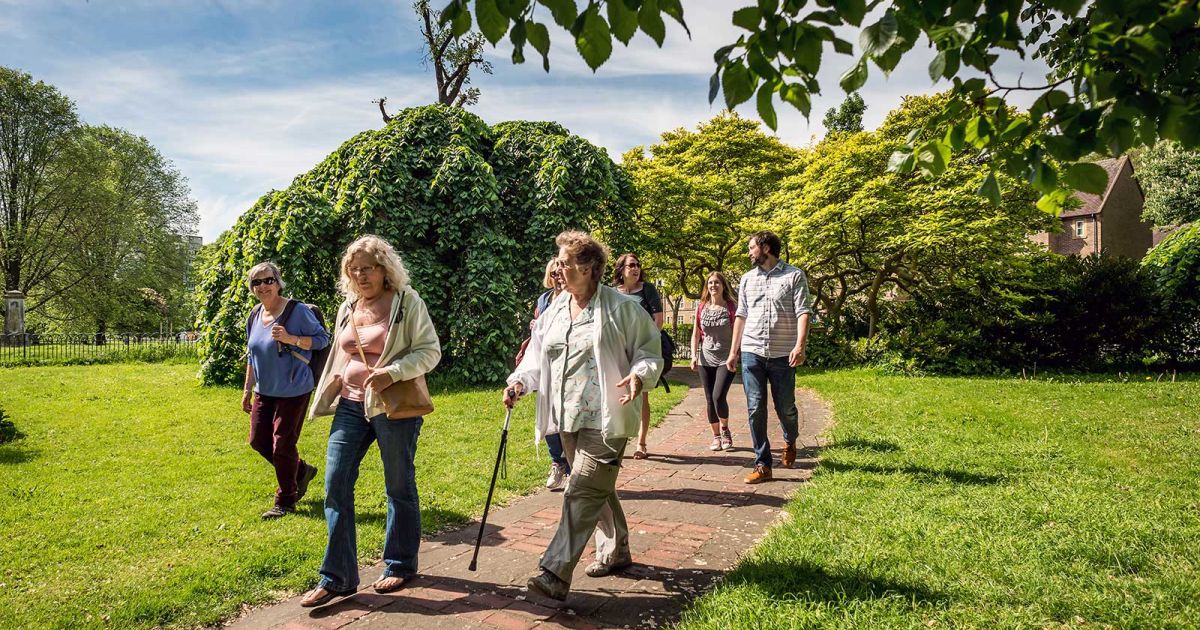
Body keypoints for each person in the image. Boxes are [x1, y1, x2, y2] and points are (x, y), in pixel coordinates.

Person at [504, 231, 663, 602]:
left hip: (609, 414)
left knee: (581, 489)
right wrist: (518, 383)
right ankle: (618, 549)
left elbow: (650, 351)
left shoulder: (622, 308)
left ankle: (554, 572)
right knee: (595, 487)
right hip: (567, 419)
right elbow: (536, 359)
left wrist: (640, 374)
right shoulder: (555, 310)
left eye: (567, 262)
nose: (559, 269)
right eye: (558, 262)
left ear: (590, 268)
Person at [300, 235, 442, 606]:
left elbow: (430, 351)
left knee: (398, 484)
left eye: (368, 268)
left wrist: (393, 372)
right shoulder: (348, 305)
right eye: (354, 269)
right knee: (335, 482)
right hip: (350, 405)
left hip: (392, 407)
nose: (361, 275)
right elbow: (342, 352)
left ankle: (399, 563)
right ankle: (338, 577)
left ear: (384, 269)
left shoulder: (407, 303)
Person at [242, 262, 330, 519]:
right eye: (256, 282)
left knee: (282, 444)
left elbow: (323, 339)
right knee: (258, 441)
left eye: (267, 280)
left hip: (294, 389)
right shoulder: (255, 314)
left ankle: (286, 499)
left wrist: (292, 339)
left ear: (278, 282)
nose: (262, 286)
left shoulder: (297, 311)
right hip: (264, 390)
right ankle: (301, 472)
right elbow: (252, 354)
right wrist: (247, 389)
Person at [724, 231, 812, 485]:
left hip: (783, 353)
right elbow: (741, 315)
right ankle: (762, 463)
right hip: (752, 352)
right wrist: (734, 351)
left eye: (752, 247)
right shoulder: (747, 279)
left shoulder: (794, 275)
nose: (749, 252)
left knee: (785, 407)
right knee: (755, 406)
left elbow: (803, 312)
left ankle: (789, 439)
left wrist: (800, 345)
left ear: (765, 248)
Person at [612, 253, 663, 459]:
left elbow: (657, 320)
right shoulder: (612, 293)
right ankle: (617, 439)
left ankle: (641, 443)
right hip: (617, 350)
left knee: (641, 395)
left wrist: (646, 345)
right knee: (616, 393)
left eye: (638, 265)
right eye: (631, 265)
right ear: (621, 270)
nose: (636, 268)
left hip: (641, 350)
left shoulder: (647, 289)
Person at [530, 259, 572, 491]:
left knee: (567, 418)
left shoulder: (576, 299)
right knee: (549, 417)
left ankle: (574, 468)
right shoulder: (544, 300)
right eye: (553, 273)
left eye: (560, 272)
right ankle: (558, 463)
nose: (557, 277)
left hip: (569, 368)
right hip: (547, 366)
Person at [689, 271, 737, 452]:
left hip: (726, 358)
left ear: (723, 285)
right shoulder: (701, 307)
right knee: (709, 399)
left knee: (718, 397)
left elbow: (737, 333)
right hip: (705, 358)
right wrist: (694, 355)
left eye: (717, 283)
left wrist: (735, 353)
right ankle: (716, 437)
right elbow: (695, 334)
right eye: (710, 283)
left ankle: (725, 430)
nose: (713, 286)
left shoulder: (732, 307)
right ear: (706, 287)